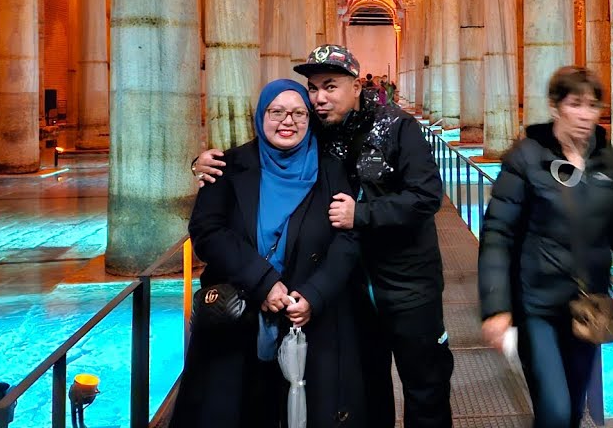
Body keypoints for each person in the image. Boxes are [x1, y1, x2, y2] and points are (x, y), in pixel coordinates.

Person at [193, 45, 453, 428]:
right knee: (367, 383)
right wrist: (200, 163)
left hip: (405, 282)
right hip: (352, 286)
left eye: (330, 86)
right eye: (313, 88)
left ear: (355, 84)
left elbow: (427, 195)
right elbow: (275, 131)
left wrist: (360, 214)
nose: (318, 98)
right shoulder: (318, 125)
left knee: (424, 383)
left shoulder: (398, 126)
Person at [172, 80, 366, 428]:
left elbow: (347, 240)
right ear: (261, 115)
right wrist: (263, 283)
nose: (287, 121)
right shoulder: (227, 167)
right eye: (276, 112)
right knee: (236, 409)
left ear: (310, 119)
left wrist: (314, 294)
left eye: (297, 113)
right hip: (239, 317)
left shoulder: (330, 170)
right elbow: (207, 232)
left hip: (307, 316)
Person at [478, 66, 613, 428]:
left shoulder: (607, 158)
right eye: (576, 104)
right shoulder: (526, 159)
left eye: (593, 105)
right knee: (555, 411)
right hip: (537, 306)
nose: (586, 115)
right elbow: (497, 233)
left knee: (573, 411)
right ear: (556, 107)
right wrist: (496, 307)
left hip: (588, 308)